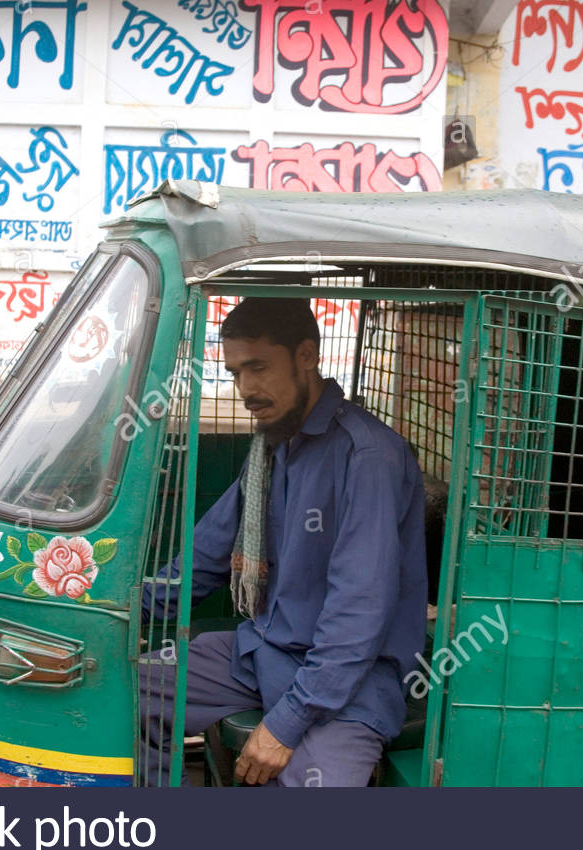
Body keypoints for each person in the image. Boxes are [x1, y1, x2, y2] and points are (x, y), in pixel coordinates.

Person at [140, 298, 427, 786]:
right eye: (234, 372)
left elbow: (357, 614)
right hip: (260, 654)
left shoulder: (367, 457)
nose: (246, 388)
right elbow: (205, 555)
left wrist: (286, 723)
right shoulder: (273, 447)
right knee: (120, 687)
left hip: (348, 683)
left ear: (307, 356)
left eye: (258, 367)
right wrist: (118, 612)